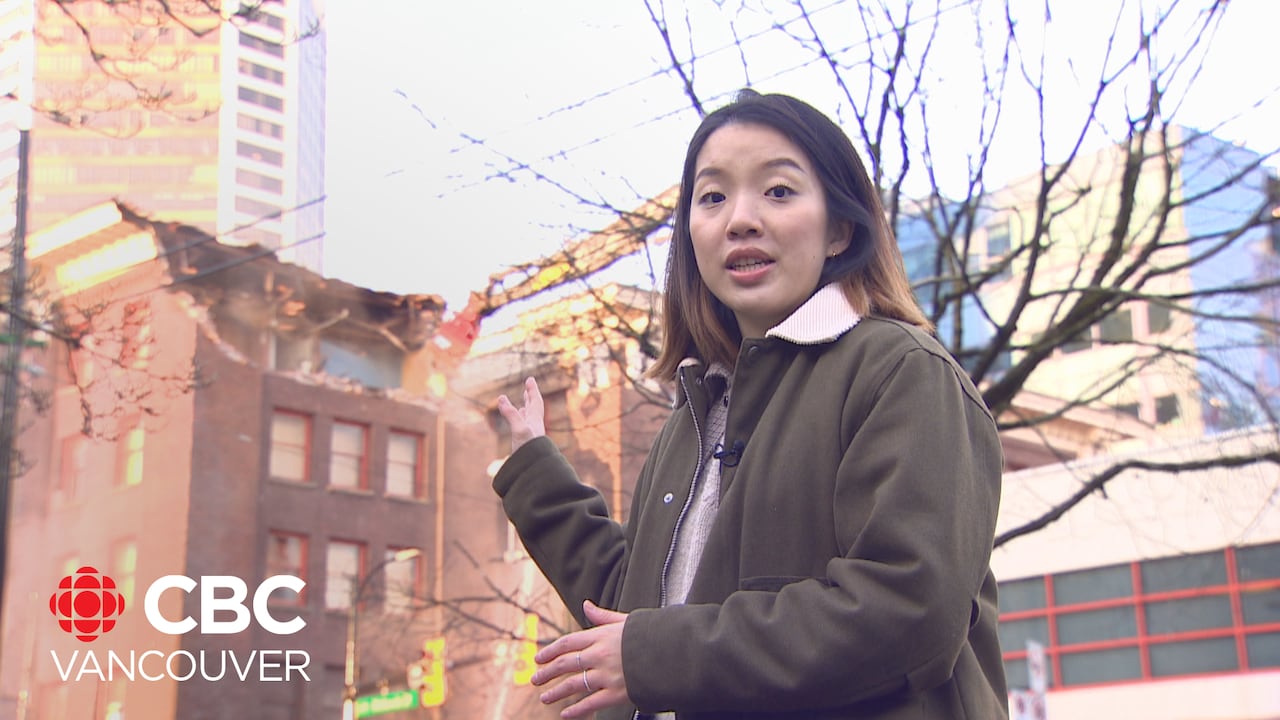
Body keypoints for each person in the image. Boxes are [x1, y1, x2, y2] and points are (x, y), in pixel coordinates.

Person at [494, 89, 1007, 720]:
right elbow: (638, 609)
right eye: (712, 197)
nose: (739, 219)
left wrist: (659, 656)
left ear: (841, 228)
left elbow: (908, 610)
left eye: (779, 191)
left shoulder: (902, 371)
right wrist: (538, 480)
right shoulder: (696, 411)